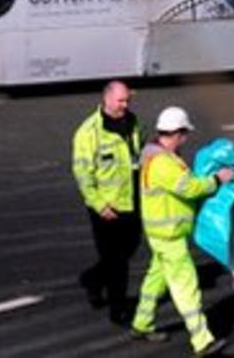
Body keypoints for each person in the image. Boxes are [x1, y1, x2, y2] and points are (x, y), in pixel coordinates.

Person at [129, 106, 234, 356]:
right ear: (176, 133)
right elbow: (189, 189)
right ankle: (202, 340)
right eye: (184, 134)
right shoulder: (164, 163)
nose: (186, 139)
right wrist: (218, 179)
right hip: (170, 235)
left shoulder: (153, 156)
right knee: (186, 287)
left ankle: (141, 324)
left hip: (160, 234)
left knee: (156, 279)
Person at [72, 80, 144, 324]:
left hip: (132, 202)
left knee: (130, 248)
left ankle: (93, 279)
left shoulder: (132, 122)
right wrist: (99, 204)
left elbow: (137, 154)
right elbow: (83, 174)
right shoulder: (89, 132)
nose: (125, 105)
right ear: (106, 100)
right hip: (106, 208)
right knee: (117, 261)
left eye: (127, 101)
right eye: (121, 101)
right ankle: (119, 309)